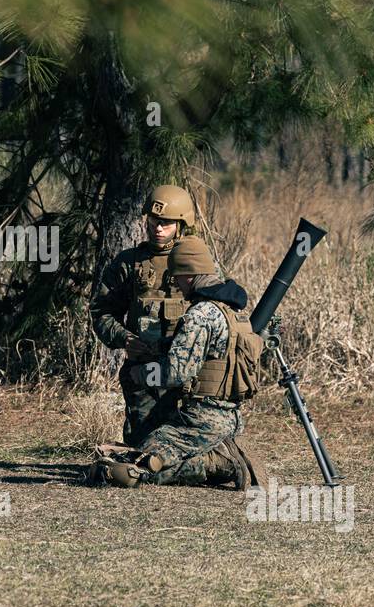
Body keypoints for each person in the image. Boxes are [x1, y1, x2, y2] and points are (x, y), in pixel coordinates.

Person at [88, 235, 266, 490]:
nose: (177, 285)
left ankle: (223, 463)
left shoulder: (201, 314)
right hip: (230, 417)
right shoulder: (236, 313)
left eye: (178, 277)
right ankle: (222, 454)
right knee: (141, 458)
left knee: (137, 467)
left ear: (189, 274)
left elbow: (177, 372)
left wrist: (141, 374)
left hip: (201, 419)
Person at [88, 184, 201, 447]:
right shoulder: (129, 263)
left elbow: (220, 311)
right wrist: (124, 338)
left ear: (182, 224)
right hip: (146, 372)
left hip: (188, 373)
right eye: (153, 221)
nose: (158, 228)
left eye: (166, 223)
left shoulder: (197, 260)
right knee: (143, 451)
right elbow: (101, 311)